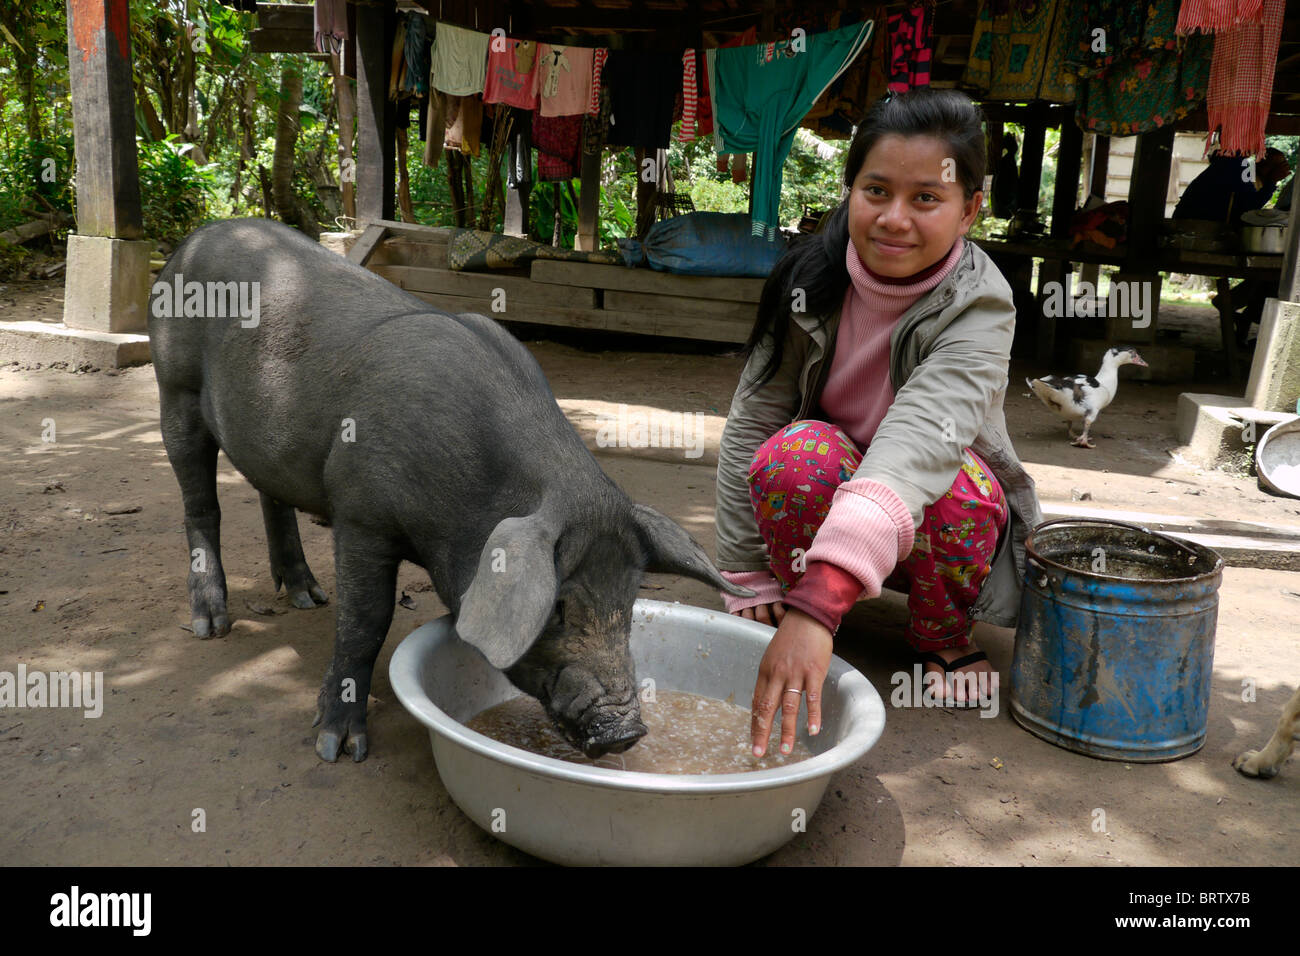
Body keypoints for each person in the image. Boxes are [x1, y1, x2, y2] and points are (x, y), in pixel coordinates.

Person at [713, 88, 1043, 758]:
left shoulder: (982, 305)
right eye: (876, 191)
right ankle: (795, 590)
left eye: (926, 198)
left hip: (928, 500)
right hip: (828, 491)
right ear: (849, 190)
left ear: (969, 209)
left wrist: (818, 606)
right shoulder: (808, 277)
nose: (894, 219)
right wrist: (744, 571)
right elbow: (753, 423)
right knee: (793, 455)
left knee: (961, 489)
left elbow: (919, 441)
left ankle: (937, 634)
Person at [1174, 147, 1293, 346]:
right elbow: (1247, 209)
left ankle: (1238, 308)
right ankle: (1238, 308)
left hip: (1190, 230)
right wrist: (1271, 182)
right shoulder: (1239, 166)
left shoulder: (1232, 165)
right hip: (1199, 234)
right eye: (1278, 164)